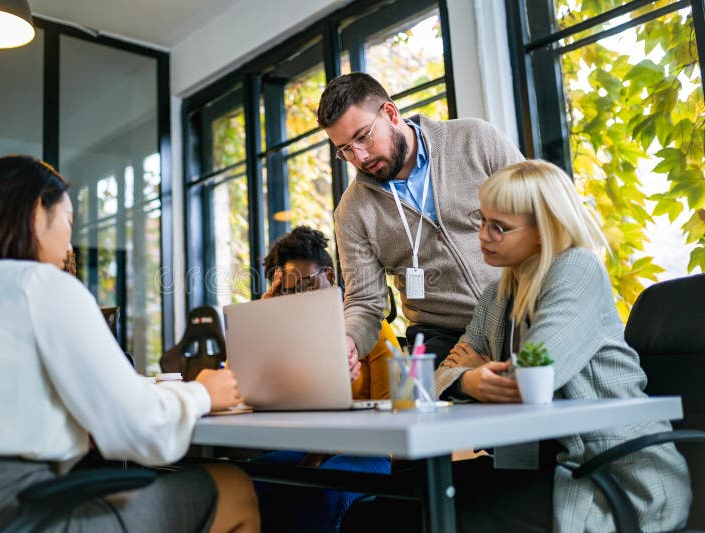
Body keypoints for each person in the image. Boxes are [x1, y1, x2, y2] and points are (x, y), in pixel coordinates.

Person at [0, 155, 260, 533]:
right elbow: (140, 429)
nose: (70, 247)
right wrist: (202, 393)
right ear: (38, 210)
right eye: (68, 222)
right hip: (19, 515)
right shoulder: (38, 284)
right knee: (233, 487)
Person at [430, 159, 690, 532]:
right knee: (393, 502)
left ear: (543, 230)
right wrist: (470, 379)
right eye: (482, 221)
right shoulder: (498, 292)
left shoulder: (577, 269)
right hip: (539, 464)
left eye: (499, 227)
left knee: (423, 515)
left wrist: (479, 375)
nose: (482, 236)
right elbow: (444, 373)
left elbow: (527, 381)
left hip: (608, 472)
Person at [317, 72, 524, 366]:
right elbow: (364, 302)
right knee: (435, 389)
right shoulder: (352, 212)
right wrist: (349, 340)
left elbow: (537, 215)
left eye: (363, 137)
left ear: (390, 113)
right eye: (346, 150)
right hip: (442, 337)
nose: (360, 157)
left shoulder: (476, 140)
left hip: (519, 310)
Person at [253, 226, 393, 533]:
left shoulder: (369, 330)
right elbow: (260, 392)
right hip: (310, 448)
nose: (299, 296)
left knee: (320, 491)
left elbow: (391, 413)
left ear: (329, 276)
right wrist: (266, 319)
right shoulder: (292, 336)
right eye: (290, 290)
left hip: (369, 450)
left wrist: (320, 454)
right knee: (251, 480)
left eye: (306, 284)